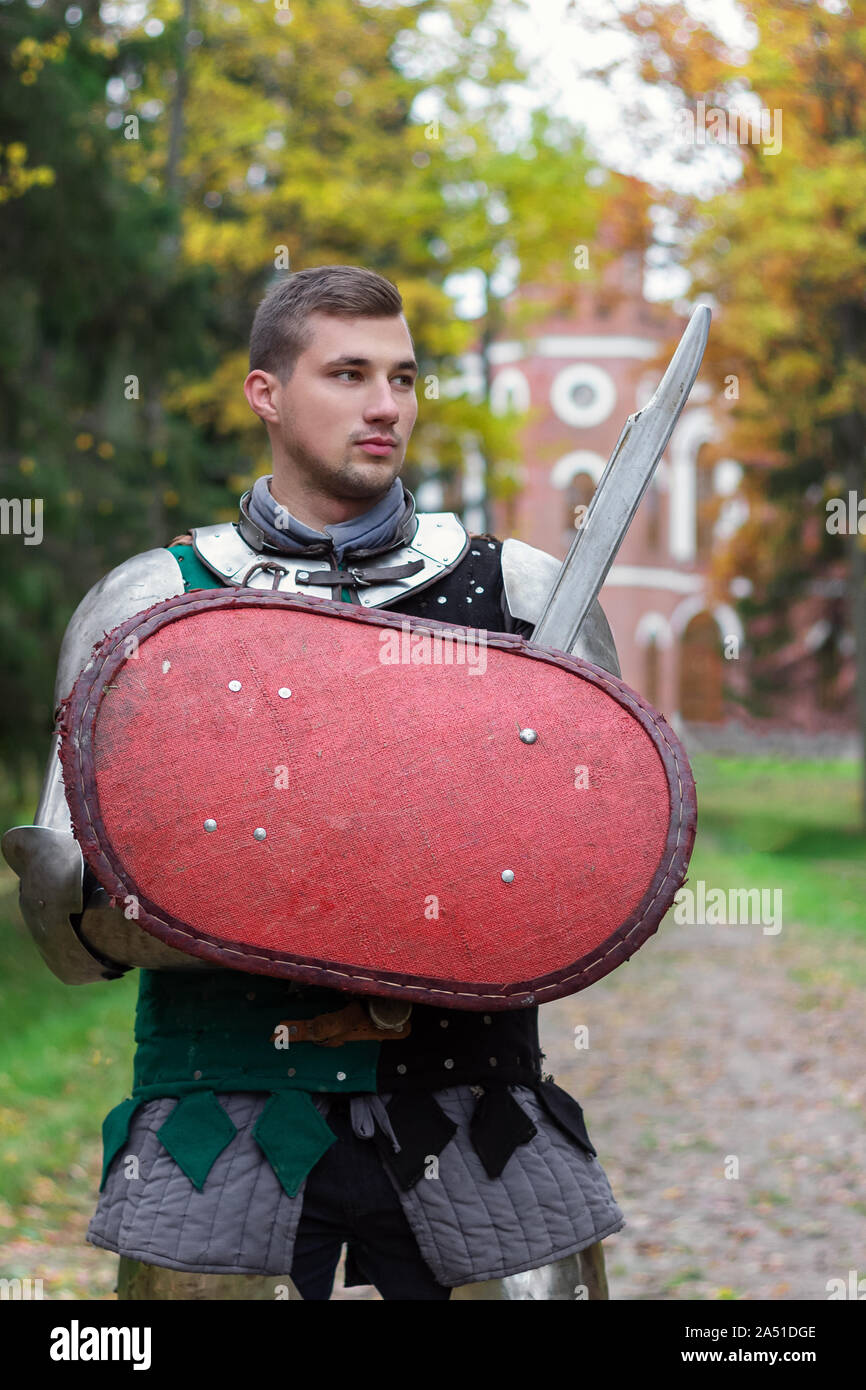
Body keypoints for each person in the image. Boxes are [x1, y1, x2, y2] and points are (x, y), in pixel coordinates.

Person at [2, 264, 625, 1301]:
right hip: (222, 1106)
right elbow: (72, 922)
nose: (386, 405)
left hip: (473, 1107)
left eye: (404, 377)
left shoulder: (521, 598)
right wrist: (357, 922)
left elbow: (600, 880)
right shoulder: (153, 606)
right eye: (347, 374)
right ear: (266, 393)